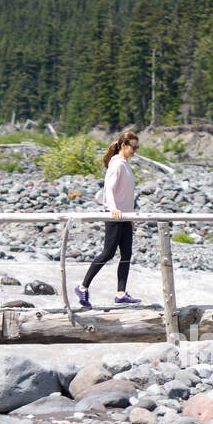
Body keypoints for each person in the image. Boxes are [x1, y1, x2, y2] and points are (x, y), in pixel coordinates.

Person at [75, 131, 142, 307]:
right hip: (114, 214)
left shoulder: (125, 164)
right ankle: (82, 287)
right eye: (133, 147)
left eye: (137, 147)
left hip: (125, 216)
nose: (135, 150)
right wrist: (112, 208)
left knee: (126, 253)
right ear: (124, 146)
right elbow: (109, 189)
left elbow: (127, 194)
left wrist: (131, 216)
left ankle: (121, 293)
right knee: (108, 252)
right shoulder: (117, 164)